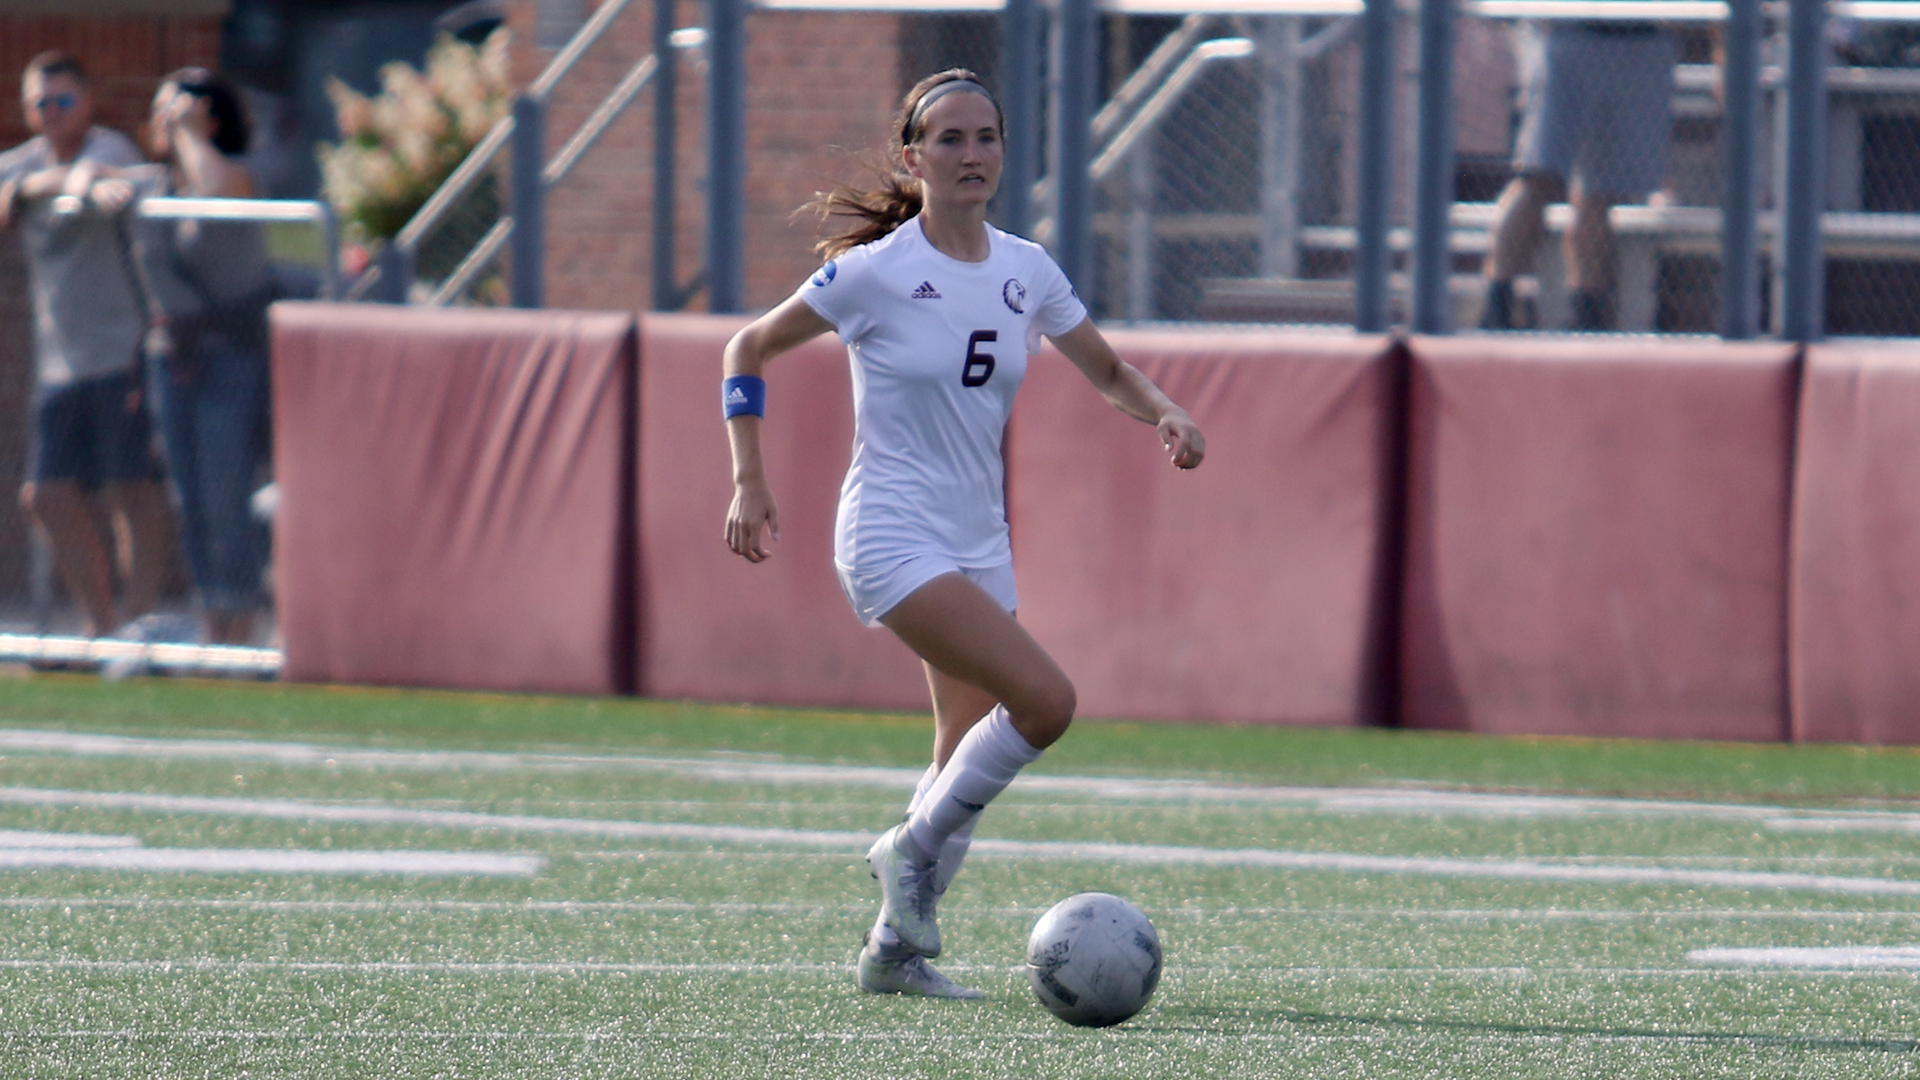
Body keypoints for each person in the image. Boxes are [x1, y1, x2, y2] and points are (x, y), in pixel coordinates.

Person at [721, 70, 1206, 999]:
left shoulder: (1027, 269)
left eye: (986, 136)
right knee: (1046, 703)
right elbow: (747, 347)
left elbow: (1108, 371)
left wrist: (1166, 412)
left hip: (979, 537)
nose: (972, 153)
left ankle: (892, 955)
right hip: (890, 533)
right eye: (950, 139)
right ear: (915, 158)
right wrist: (749, 477)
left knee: (958, 758)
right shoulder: (876, 272)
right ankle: (907, 852)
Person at [93, 69, 272, 646]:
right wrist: (91, 182)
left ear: (209, 119)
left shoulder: (235, 175)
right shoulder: (153, 184)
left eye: (176, 111)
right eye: (161, 111)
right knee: (189, 500)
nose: (162, 121)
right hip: (170, 358)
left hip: (229, 357)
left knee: (225, 494)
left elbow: (215, 193)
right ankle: (213, 623)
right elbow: (97, 173)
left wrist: (193, 136)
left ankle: (239, 627)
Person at [0, 51, 171, 638]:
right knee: (45, 496)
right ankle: (100, 627)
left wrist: (90, 178)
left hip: (122, 352)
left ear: (88, 100)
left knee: (131, 489)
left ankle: (136, 627)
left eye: (64, 100)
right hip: (61, 363)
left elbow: (128, 180)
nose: (52, 112)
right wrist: (54, 183)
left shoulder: (110, 150)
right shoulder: (24, 164)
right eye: (41, 102)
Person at [1479, 18, 1678, 331]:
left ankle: (1587, 312)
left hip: (1642, 40)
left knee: (1601, 190)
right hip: (1572, 34)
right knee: (1539, 179)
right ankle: (1498, 303)